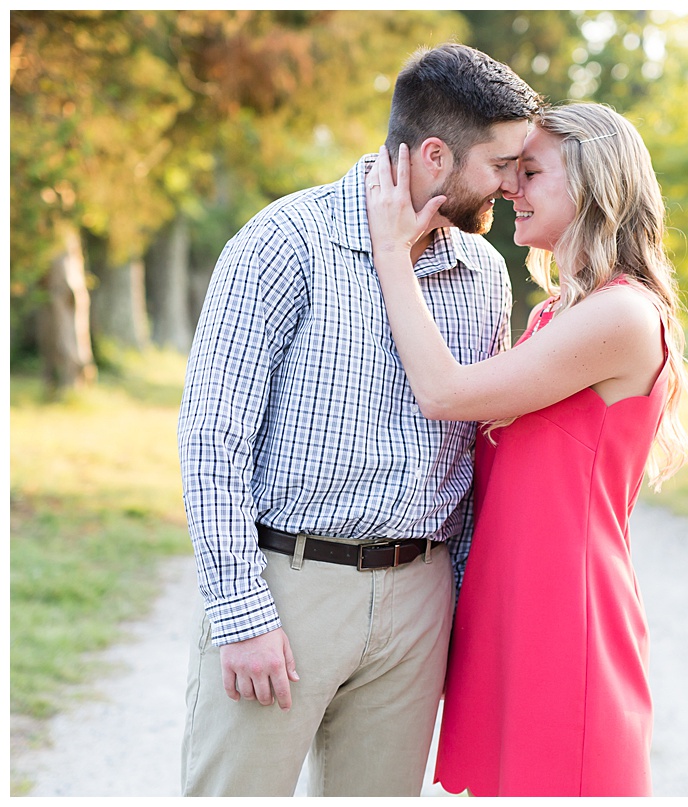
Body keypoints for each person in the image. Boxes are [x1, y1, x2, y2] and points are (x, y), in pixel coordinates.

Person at [176, 43, 542, 797]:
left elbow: (471, 457)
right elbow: (212, 439)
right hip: (290, 583)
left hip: (420, 599)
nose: (512, 186)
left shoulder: (481, 275)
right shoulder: (285, 242)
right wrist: (242, 615)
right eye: (502, 164)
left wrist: (461, 607)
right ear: (435, 154)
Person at [364, 101, 688, 796]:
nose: (510, 187)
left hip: (565, 613)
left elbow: (447, 393)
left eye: (531, 171)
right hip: (506, 602)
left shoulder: (622, 314)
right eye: (511, 170)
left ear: (594, 185)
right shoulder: (553, 313)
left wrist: (391, 252)